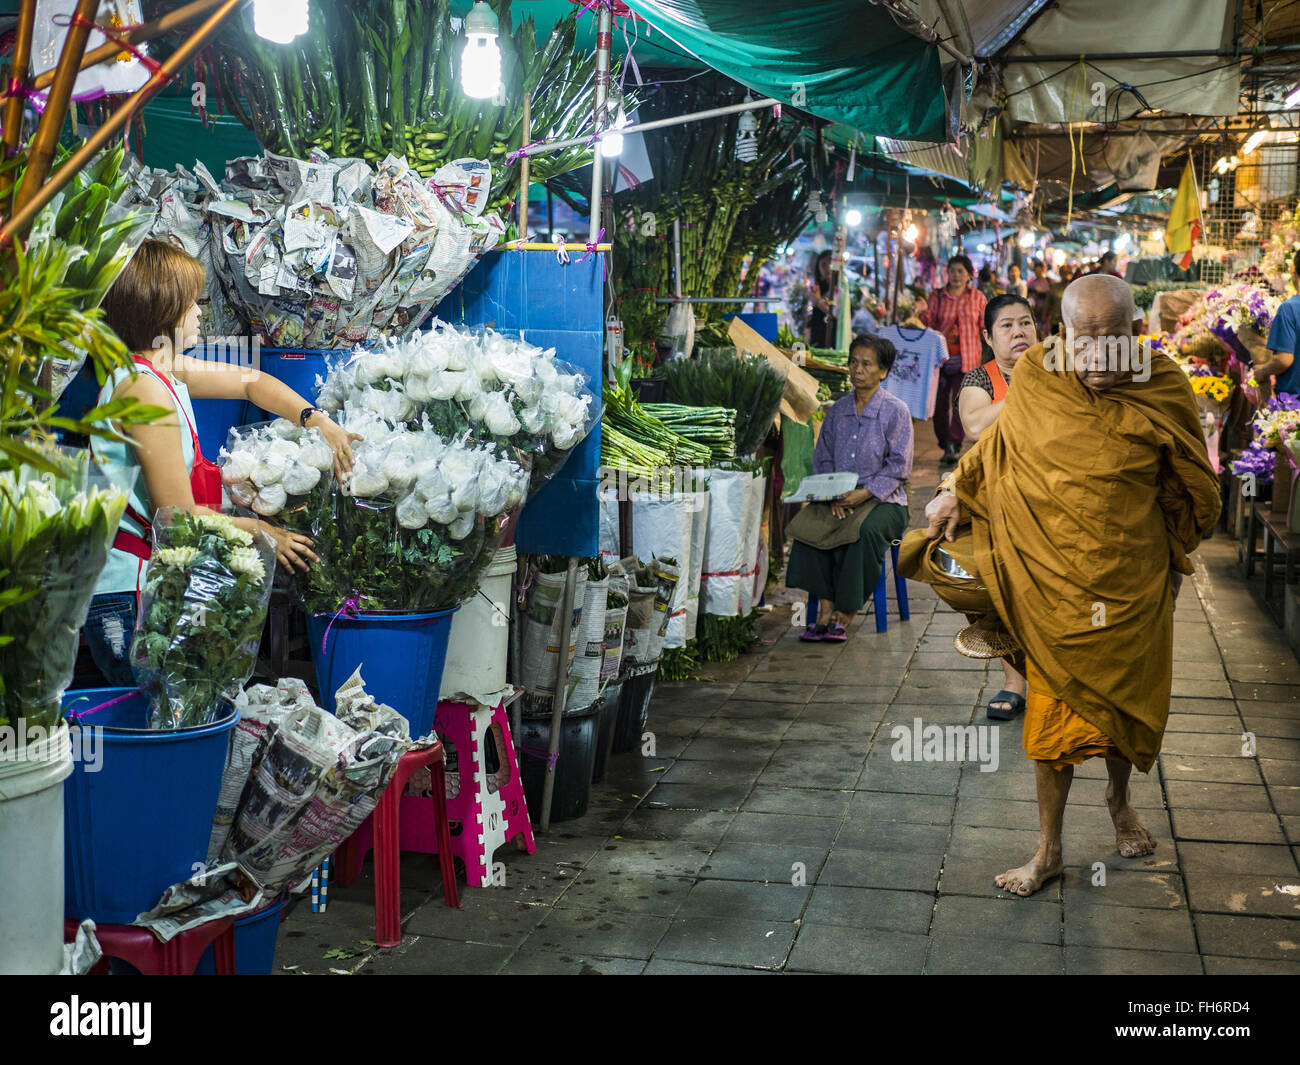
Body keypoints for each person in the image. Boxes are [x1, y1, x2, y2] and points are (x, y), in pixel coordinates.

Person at [923, 274, 1220, 896]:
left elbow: (1194, 480)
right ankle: (1049, 847)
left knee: (1118, 705)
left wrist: (1168, 541)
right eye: (1087, 341)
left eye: (1115, 341)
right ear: (1063, 335)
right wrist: (954, 491)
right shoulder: (1038, 374)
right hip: (1050, 577)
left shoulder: (1160, 382)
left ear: (1136, 333)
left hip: (1131, 579)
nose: (1099, 359)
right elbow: (996, 444)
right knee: (1054, 708)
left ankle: (1118, 801)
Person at [82, 240, 362, 686]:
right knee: (167, 729)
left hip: (148, 585)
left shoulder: (163, 371)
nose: (199, 313)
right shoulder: (142, 389)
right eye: (191, 302)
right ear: (163, 307)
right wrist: (262, 532)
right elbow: (174, 517)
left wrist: (318, 421)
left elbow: (251, 382)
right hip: (128, 596)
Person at [787, 334, 912, 642]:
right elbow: (824, 458)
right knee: (809, 527)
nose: (857, 369)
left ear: (882, 371)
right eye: (853, 362)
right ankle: (825, 603)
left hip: (885, 500)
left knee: (863, 532)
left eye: (866, 364)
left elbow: (899, 467)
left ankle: (847, 610)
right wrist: (832, 497)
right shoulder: (838, 411)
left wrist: (864, 494)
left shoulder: (896, 411)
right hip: (839, 497)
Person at [954, 294, 1036, 721]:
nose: (1018, 331)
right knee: (986, 585)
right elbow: (973, 424)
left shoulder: (1057, 371)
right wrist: (1030, 390)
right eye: (1006, 326)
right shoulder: (980, 379)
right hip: (995, 500)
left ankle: (1052, 674)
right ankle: (1014, 680)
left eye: (1025, 323)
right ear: (988, 336)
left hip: (1049, 497)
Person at [922, 254, 987, 466]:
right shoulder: (937, 296)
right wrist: (918, 312)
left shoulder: (978, 298)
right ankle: (943, 439)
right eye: (953, 271)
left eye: (961, 271)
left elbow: (984, 328)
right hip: (940, 359)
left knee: (960, 402)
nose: (956, 275)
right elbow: (928, 324)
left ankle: (954, 442)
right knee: (939, 404)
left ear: (969, 275)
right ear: (946, 273)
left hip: (967, 359)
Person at [1252, 248, 1300, 402]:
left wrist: (1262, 372)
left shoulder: (1290, 308)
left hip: (1294, 404)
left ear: (1292, 268)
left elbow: (1284, 360)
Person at [808, 250, 837, 348]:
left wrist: (817, 301)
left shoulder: (840, 288)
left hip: (833, 334)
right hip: (817, 333)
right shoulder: (815, 286)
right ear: (818, 267)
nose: (827, 268)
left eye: (831, 264)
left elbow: (833, 312)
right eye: (823, 265)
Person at [1027, 259, 1052, 337]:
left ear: (1042, 270)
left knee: (1046, 334)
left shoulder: (1049, 281)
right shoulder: (1031, 283)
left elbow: (1051, 298)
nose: (1037, 272)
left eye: (1039, 270)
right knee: (1037, 333)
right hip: (1036, 312)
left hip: (1047, 312)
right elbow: (1029, 298)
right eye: (1035, 270)